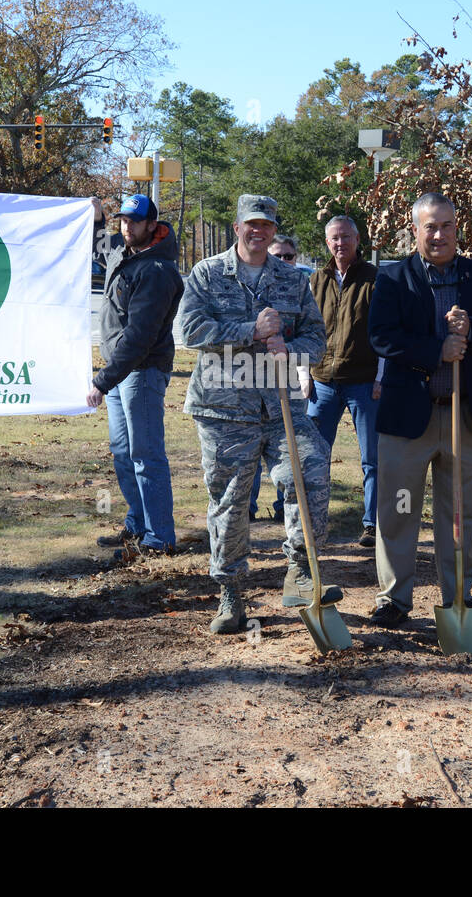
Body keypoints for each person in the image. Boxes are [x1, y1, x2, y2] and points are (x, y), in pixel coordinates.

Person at [178, 194, 339, 633]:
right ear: (237, 228)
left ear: (273, 230)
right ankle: (231, 593)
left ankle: (301, 568)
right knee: (230, 502)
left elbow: (317, 339)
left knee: (309, 473)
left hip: (283, 405)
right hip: (224, 412)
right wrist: (252, 330)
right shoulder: (207, 274)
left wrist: (290, 348)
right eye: (252, 224)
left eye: (267, 225)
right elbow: (189, 331)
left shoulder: (291, 278)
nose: (259, 231)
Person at [367, 192, 472, 628]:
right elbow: (381, 336)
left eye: (446, 226)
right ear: (414, 229)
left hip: (463, 416)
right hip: (407, 419)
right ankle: (394, 599)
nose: (439, 234)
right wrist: (437, 349)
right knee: (398, 510)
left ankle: (459, 596)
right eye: (430, 226)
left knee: (459, 513)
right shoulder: (393, 277)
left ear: (457, 228)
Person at [88, 194, 184, 558]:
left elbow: (140, 337)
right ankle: (137, 523)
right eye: (122, 220)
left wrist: (102, 379)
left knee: (146, 454)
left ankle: (159, 537)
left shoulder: (157, 271)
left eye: (134, 221)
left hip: (141, 372)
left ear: (151, 225)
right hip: (120, 373)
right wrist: (98, 220)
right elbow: (101, 250)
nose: (126, 226)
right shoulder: (125, 254)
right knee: (123, 453)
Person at [307, 215, 382, 548]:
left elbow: (383, 335)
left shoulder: (374, 280)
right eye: (335, 238)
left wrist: (381, 377)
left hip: (364, 383)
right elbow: (303, 331)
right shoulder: (315, 280)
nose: (340, 244)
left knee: (373, 458)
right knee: (315, 455)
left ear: (357, 240)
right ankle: (312, 521)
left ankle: (372, 524)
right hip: (321, 381)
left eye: (346, 238)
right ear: (327, 242)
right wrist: (303, 375)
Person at [247, 234, 305, 520]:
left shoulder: (300, 287)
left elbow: (315, 337)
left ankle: (285, 506)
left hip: (287, 386)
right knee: (250, 457)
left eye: (288, 256)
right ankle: (247, 507)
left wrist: (293, 356)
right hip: (245, 389)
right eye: (278, 256)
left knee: (290, 452)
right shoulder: (250, 286)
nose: (283, 261)